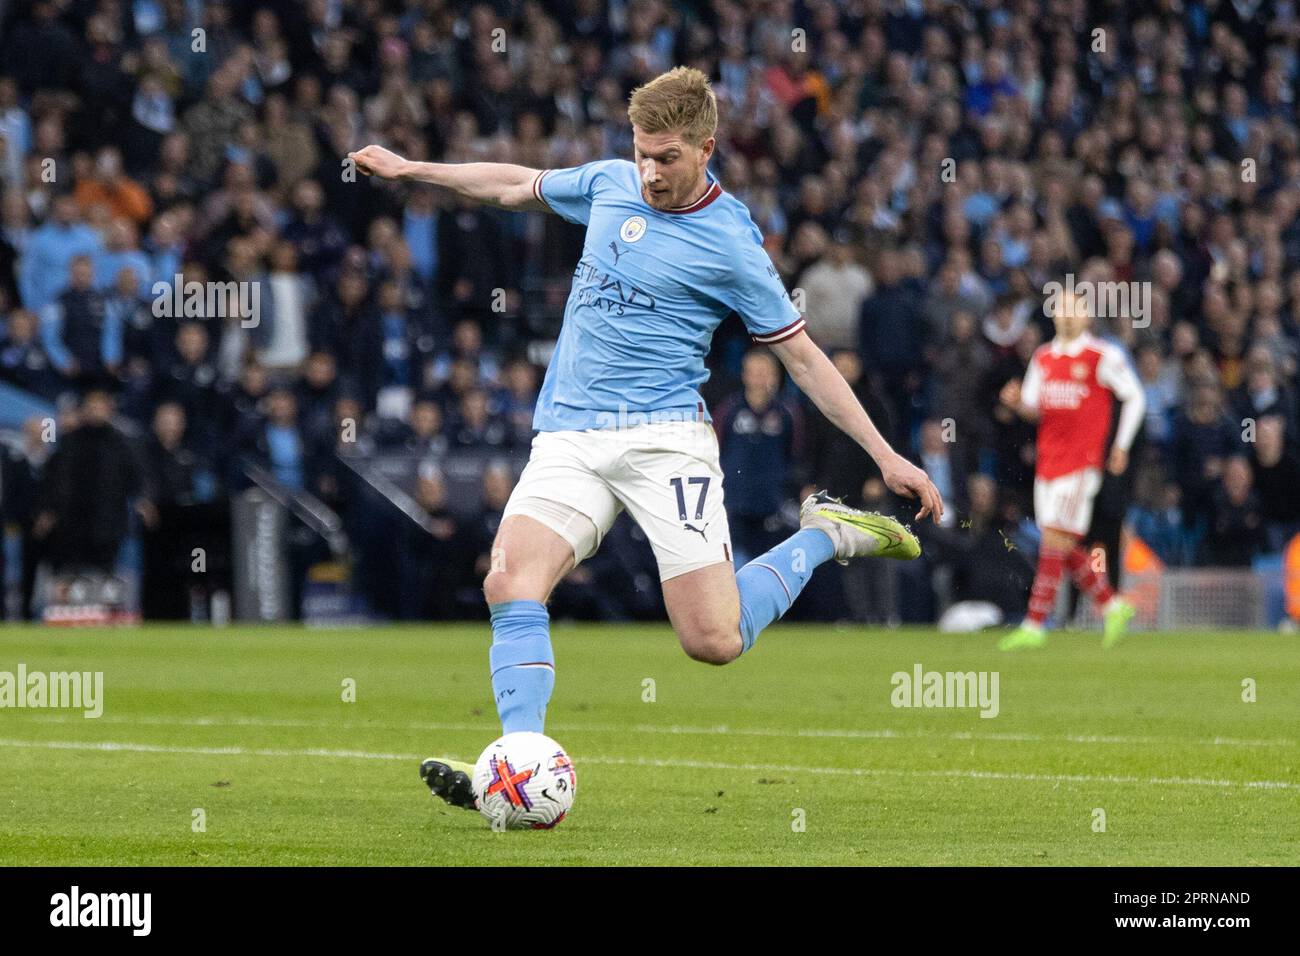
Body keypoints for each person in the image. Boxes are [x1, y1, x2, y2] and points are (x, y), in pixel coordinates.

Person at [348, 66, 943, 813]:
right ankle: (517, 764)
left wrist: (885, 457)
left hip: (665, 441)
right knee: (509, 581)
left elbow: (802, 357)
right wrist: (412, 170)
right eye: (642, 155)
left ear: (706, 148)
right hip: (568, 433)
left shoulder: (732, 243)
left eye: (667, 158)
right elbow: (513, 183)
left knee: (713, 640)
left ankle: (825, 534)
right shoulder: (608, 184)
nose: (650, 173)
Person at [997, 290, 1145, 649]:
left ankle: (1034, 623)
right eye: (1060, 309)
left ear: (1087, 316)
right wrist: (1017, 404)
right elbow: (1035, 409)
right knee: (1060, 543)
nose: (1066, 316)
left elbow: (1135, 397)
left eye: (1073, 309)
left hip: (1082, 464)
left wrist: (1121, 446)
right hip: (1048, 462)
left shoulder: (1102, 355)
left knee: (1053, 541)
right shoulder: (1044, 357)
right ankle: (1112, 605)